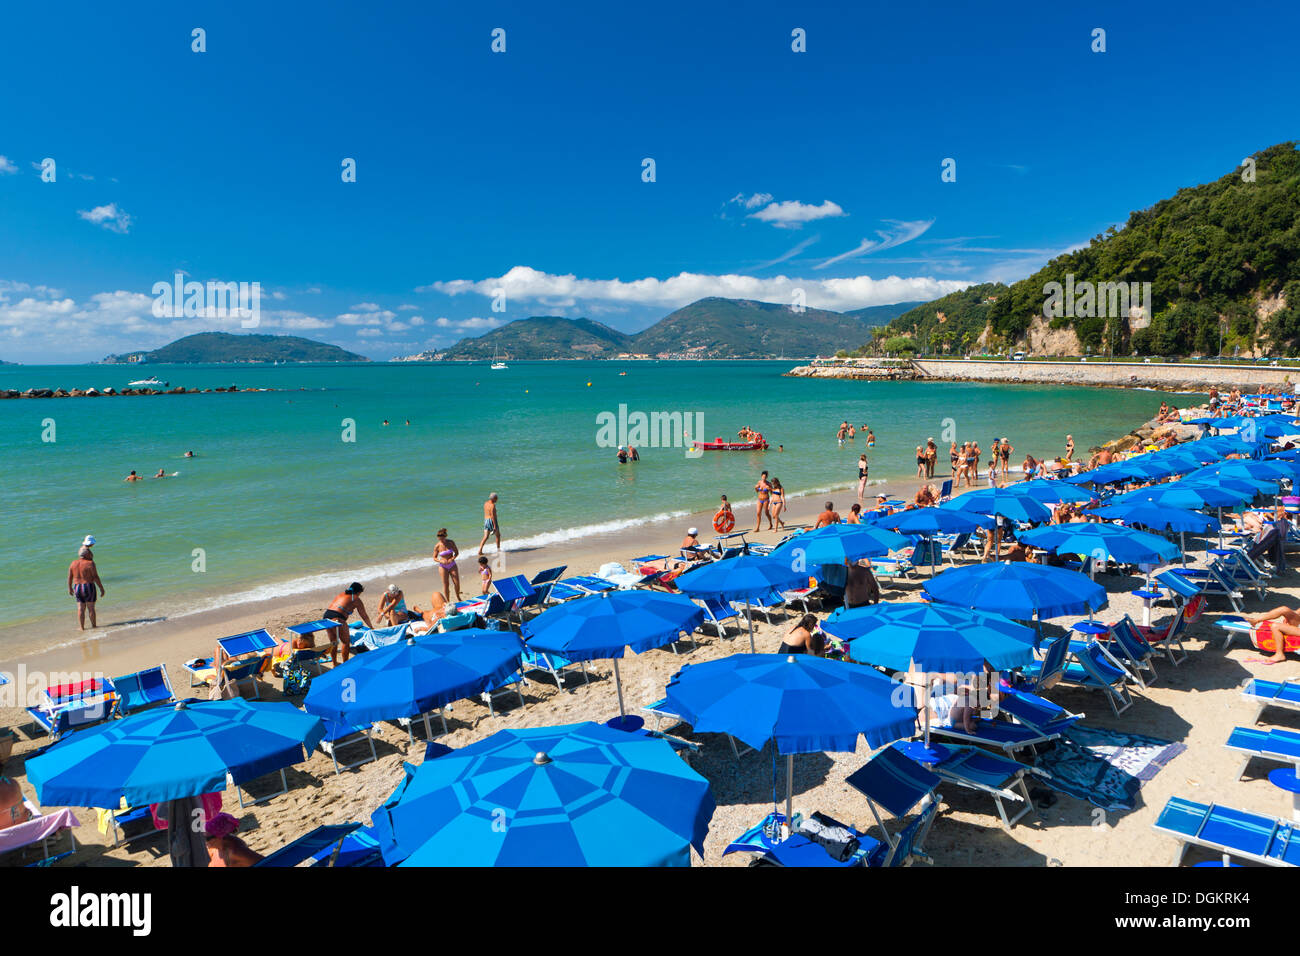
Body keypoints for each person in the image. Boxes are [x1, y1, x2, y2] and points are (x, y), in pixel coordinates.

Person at [323, 583, 373, 665]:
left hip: (327, 616)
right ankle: (345, 665)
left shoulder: (342, 594)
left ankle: (334, 664)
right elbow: (364, 615)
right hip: (337, 618)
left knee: (333, 642)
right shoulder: (356, 599)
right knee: (346, 642)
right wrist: (371, 627)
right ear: (358, 592)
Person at [67, 547, 105, 630]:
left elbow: (70, 577)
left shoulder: (73, 563)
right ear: (86, 554)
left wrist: (69, 588)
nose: (91, 554)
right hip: (88, 586)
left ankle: (82, 627)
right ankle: (94, 626)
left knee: (80, 608)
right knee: (91, 608)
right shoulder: (90, 563)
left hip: (77, 587)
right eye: (90, 552)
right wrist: (101, 588)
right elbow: (95, 577)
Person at [435, 528, 462, 601]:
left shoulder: (451, 542)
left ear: (445, 536)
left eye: (442, 536)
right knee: (446, 585)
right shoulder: (437, 546)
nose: (440, 538)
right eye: (439, 536)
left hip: (452, 564)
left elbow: (456, 553)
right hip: (443, 566)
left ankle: (458, 597)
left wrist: (452, 558)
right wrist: (440, 560)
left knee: (457, 583)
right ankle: (448, 601)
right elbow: (434, 557)